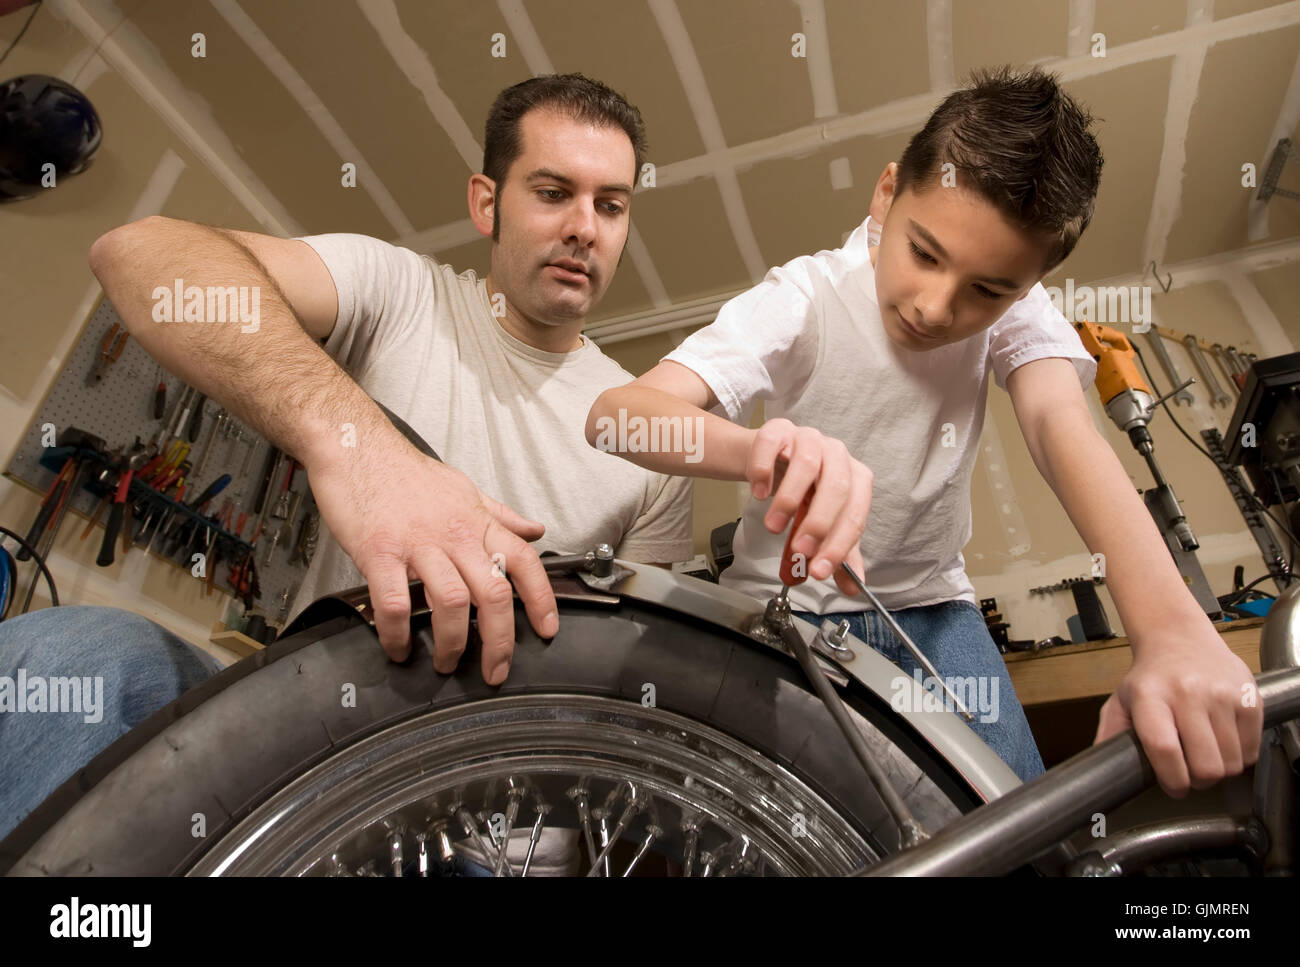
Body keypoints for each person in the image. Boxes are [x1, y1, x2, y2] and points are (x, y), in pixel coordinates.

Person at [0, 73, 692, 844]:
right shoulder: (399, 292)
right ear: (487, 203)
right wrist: (360, 448)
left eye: (611, 204)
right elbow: (141, 256)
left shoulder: (653, 438)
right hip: (298, 752)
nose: (584, 229)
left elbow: (643, 695)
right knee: (60, 666)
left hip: (495, 836)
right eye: (554, 191)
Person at [586, 65, 1262, 793]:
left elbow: (1060, 427)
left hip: (938, 616)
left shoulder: (1022, 313)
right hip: (781, 616)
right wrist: (758, 449)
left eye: (987, 290)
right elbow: (615, 419)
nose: (938, 308)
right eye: (925, 253)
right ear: (885, 196)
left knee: (1012, 832)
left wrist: (1173, 631)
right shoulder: (805, 296)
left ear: (1025, 288)